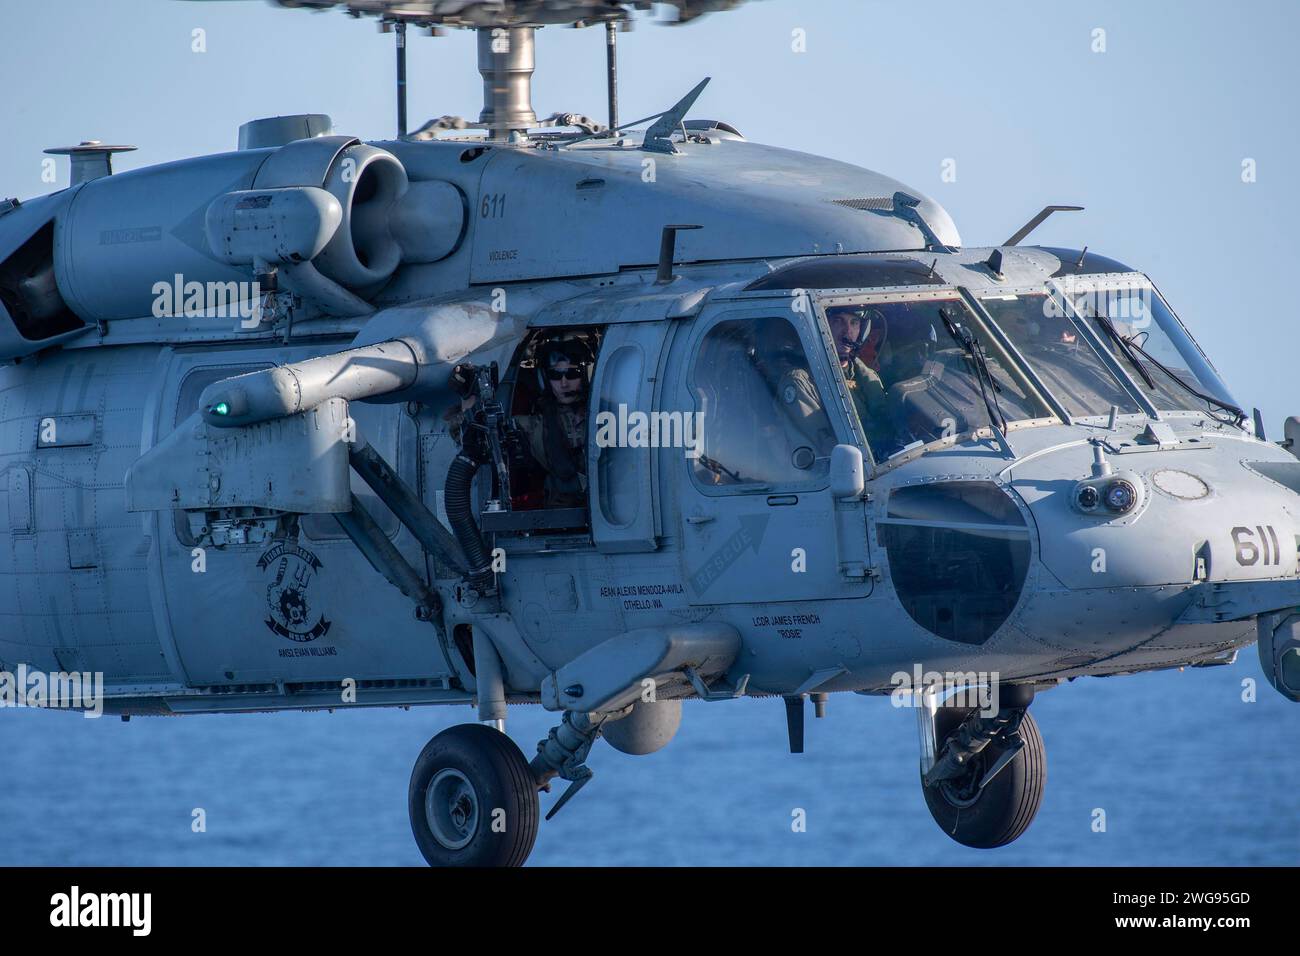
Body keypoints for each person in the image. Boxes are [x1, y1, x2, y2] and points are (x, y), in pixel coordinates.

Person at [778, 305, 890, 448]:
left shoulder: (863, 373)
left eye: (854, 322)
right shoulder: (799, 382)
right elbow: (825, 447)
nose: (848, 331)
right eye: (838, 321)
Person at [513, 335, 595, 509]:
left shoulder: (609, 415)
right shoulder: (536, 426)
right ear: (544, 379)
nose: (564, 384)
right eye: (555, 375)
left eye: (572, 374)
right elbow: (483, 431)